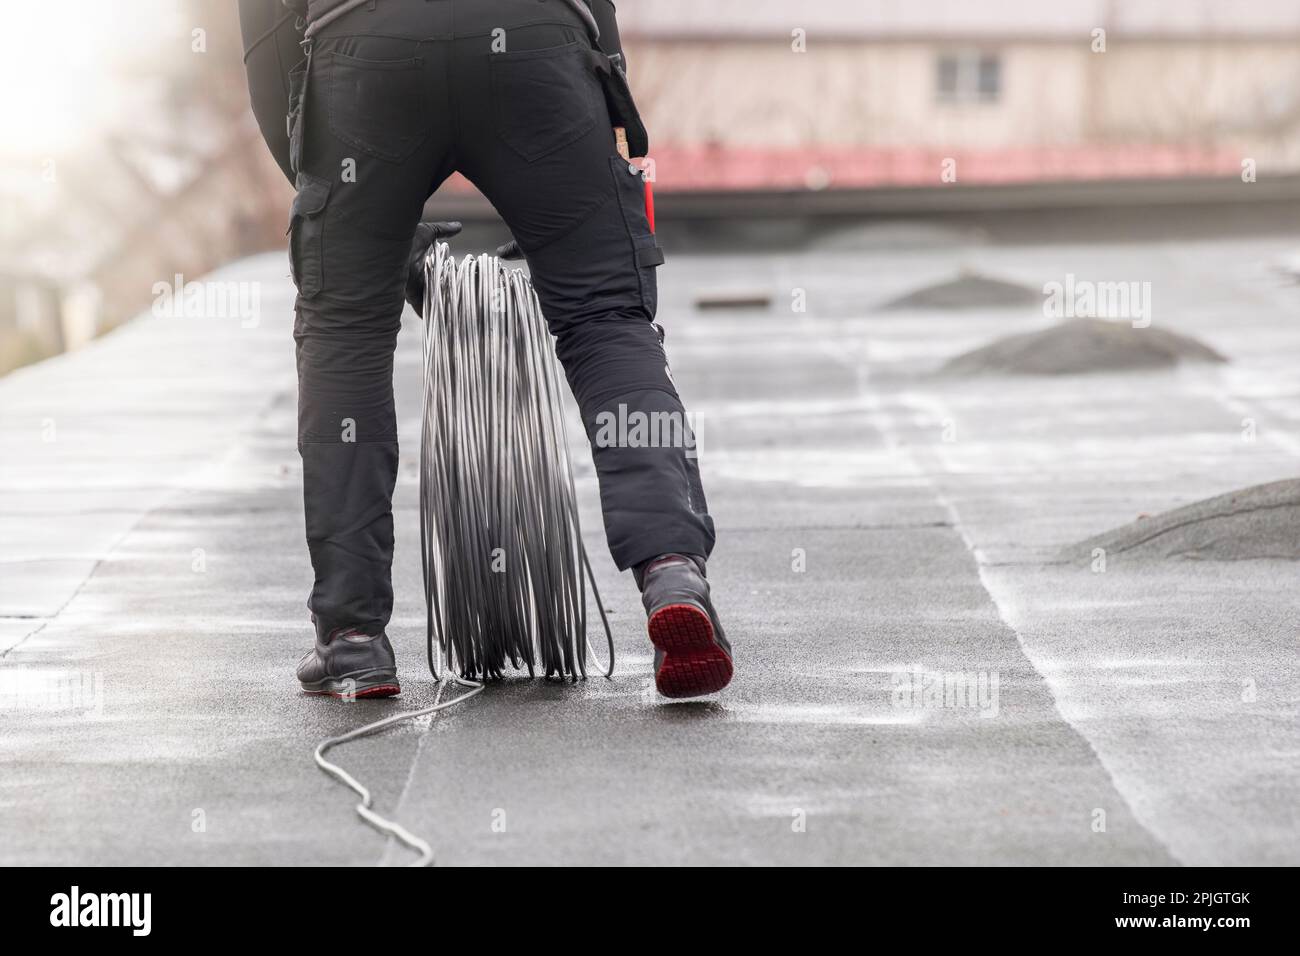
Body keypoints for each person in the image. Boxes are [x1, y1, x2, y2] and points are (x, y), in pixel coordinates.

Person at [238, 0, 731, 700]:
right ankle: (671, 568)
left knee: (345, 334)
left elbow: (264, 29)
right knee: (605, 318)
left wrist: (319, 181)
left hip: (363, 56)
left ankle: (351, 638)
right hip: (537, 42)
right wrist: (593, 135)